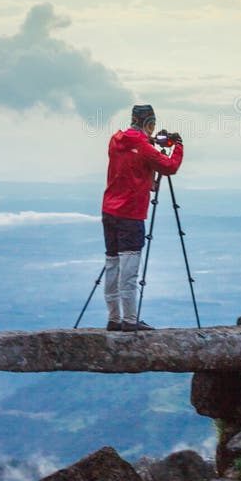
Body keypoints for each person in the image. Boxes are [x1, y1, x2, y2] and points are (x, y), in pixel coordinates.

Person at [101, 104, 184, 331]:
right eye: (153, 124)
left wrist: (151, 145)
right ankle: (129, 320)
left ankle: (113, 318)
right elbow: (170, 167)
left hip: (109, 211)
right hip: (130, 215)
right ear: (149, 123)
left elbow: (131, 167)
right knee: (129, 270)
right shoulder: (144, 147)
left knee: (112, 264)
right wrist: (178, 146)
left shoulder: (115, 141)